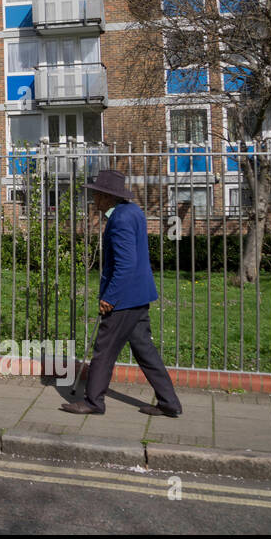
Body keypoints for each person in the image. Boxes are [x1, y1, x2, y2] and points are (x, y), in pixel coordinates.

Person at [61, 168, 182, 418]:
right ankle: (169, 402)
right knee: (145, 351)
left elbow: (125, 263)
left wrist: (110, 297)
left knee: (104, 350)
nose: (93, 199)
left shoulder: (121, 219)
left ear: (107, 197)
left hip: (124, 298)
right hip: (139, 295)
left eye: (96, 194)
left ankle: (93, 401)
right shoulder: (133, 212)